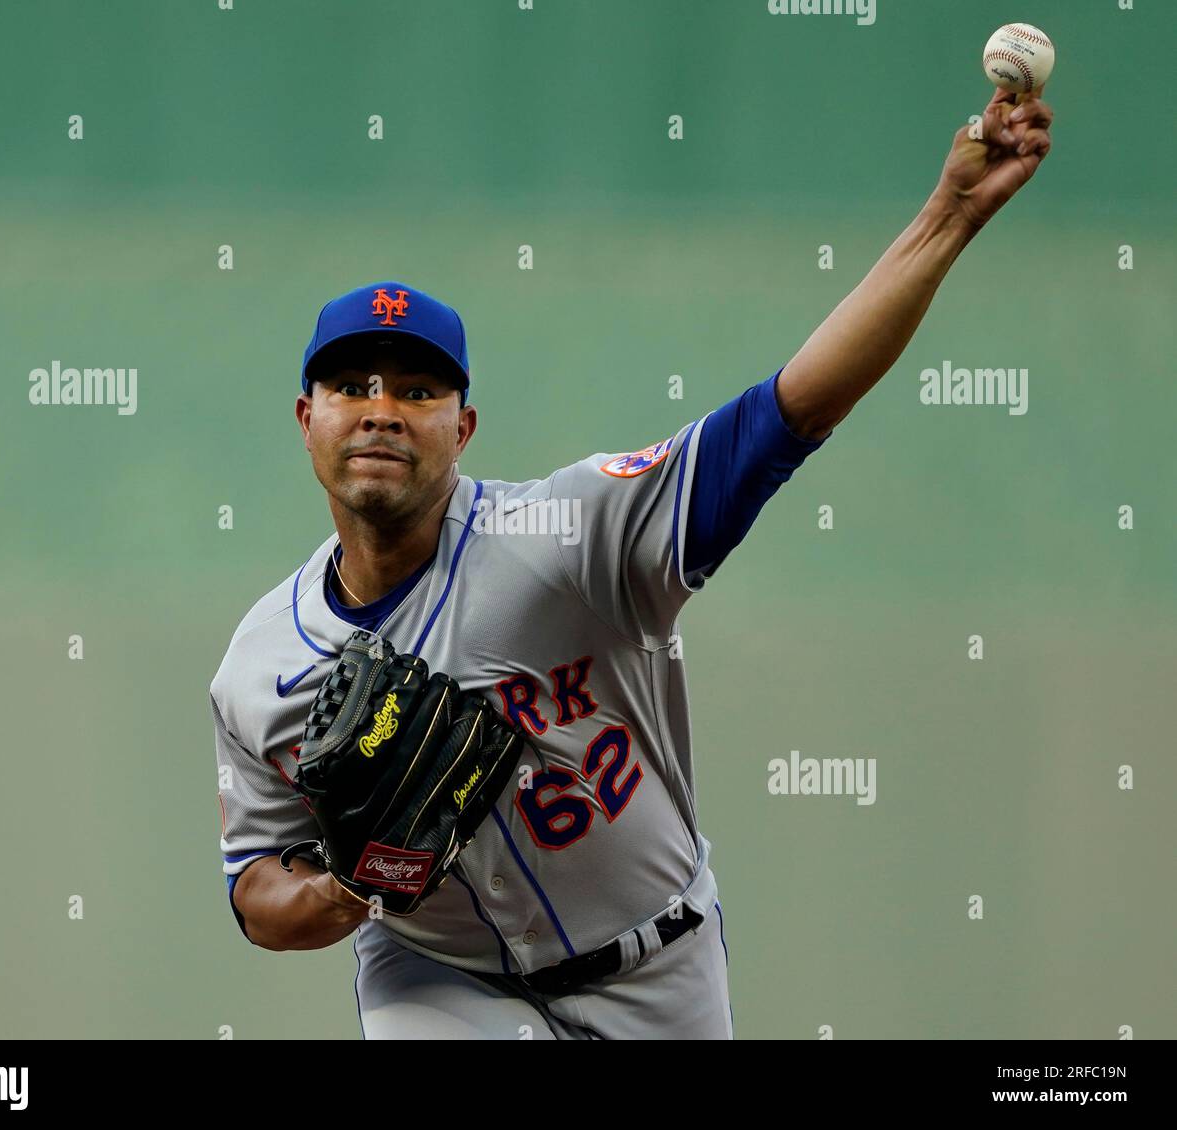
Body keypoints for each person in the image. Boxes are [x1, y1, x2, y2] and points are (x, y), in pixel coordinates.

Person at [210, 88, 1053, 1039]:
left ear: (465, 426)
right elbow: (255, 891)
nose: (381, 410)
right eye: (351, 385)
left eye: (417, 389)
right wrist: (348, 888)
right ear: (305, 418)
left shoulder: (572, 534)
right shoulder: (258, 666)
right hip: (435, 978)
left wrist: (949, 217)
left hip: (660, 963)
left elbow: (790, 412)